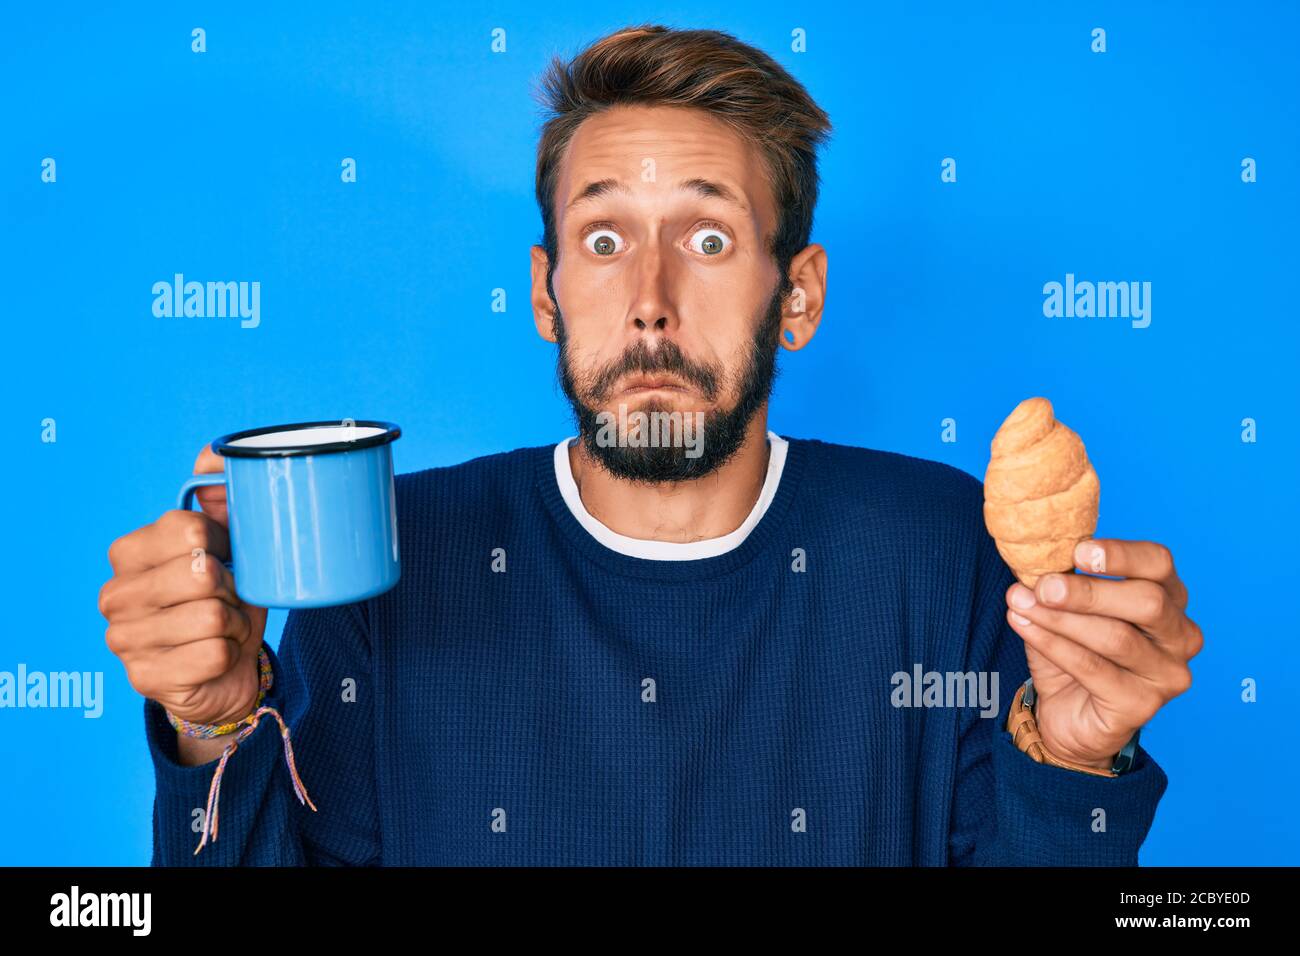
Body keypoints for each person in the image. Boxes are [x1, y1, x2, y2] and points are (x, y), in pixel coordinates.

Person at [98, 24, 1200, 866]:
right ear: (546, 291)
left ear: (798, 296)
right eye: (605, 237)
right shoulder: (392, 554)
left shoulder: (939, 546)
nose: (650, 302)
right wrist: (215, 723)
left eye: (709, 237)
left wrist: (1072, 755)